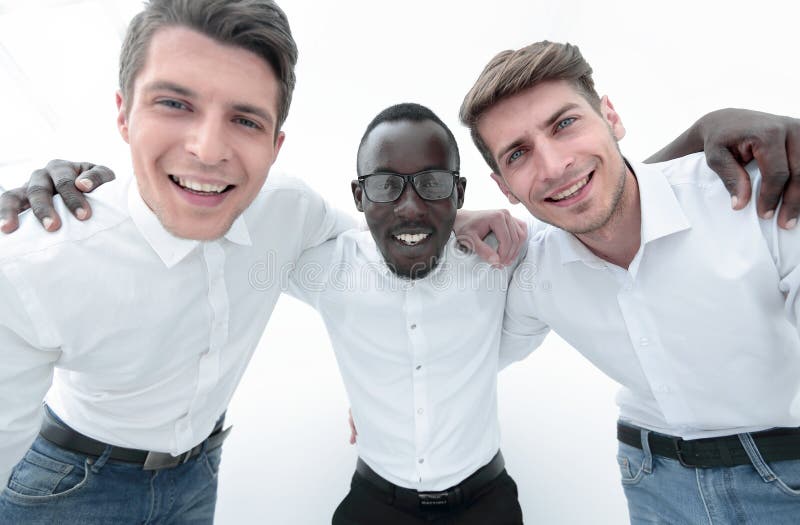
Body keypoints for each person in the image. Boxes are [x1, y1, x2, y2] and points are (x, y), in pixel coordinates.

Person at [0, 2, 523, 522]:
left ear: (275, 144)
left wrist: (447, 214)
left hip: (198, 475)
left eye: (244, 119)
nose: (207, 149)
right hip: (66, 484)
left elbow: (375, 232)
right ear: (123, 113)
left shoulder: (289, 212)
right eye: (174, 104)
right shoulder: (33, 261)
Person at [459, 40, 800, 523]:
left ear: (611, 118)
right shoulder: (534, 272)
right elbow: (459, 360)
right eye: (518, 154)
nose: (554, 166)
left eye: (564, 124)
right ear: (503, 187)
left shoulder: (750, 197)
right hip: (655, 481)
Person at [288, 103, 526, 524]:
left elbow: (584, 223)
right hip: (374, 504)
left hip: (487, 504)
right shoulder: (328, 267)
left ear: (460, 192)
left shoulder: (502, 255)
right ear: (359, 197)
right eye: (385, 185)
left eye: (432, 183)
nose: (411, 207)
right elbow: (242, 226)